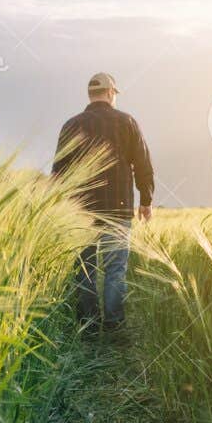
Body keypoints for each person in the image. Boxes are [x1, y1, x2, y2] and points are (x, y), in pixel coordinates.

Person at [52, 72, 156, 333]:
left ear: (91, 94)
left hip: (80, 211)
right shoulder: (126, 122)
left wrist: (60, 207)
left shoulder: (71, 125)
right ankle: (114, 326)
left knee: (84, 269)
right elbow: (142, 163)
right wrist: (146, 199)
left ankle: (88, 327)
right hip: (117, 208)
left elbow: (59, 172)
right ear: (111, 93)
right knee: (115, 269)